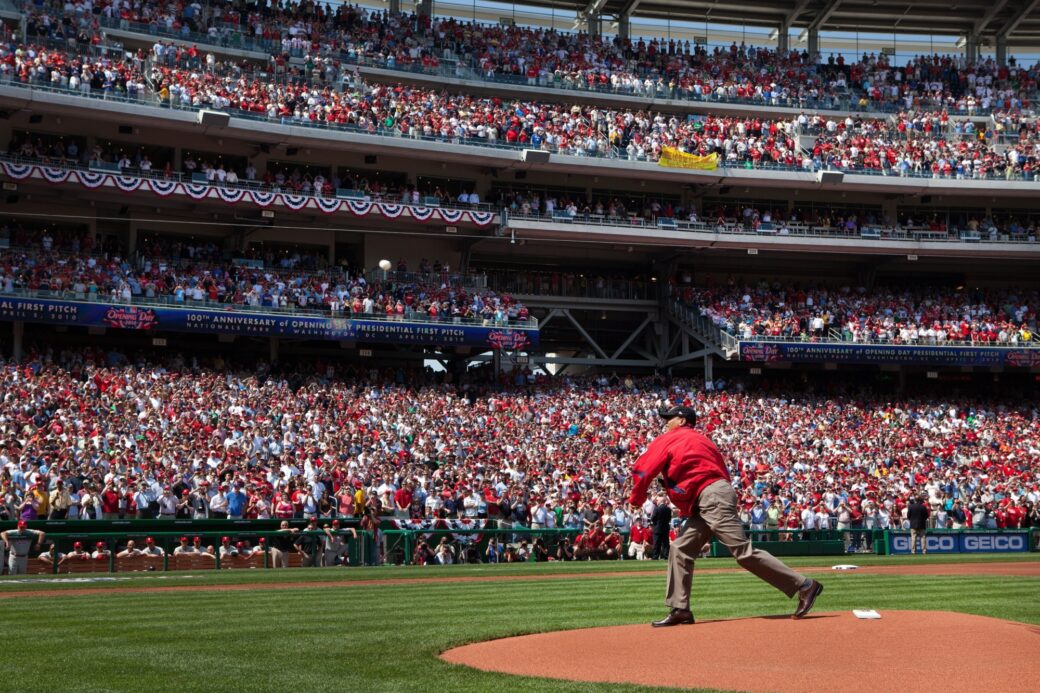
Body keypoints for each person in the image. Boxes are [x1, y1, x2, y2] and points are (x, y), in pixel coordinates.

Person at [628, 405, 823, 627]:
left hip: (710, 496)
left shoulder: (672, 437)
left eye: (669, 418)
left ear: (682, 421)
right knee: (680, 548)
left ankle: (805, 585)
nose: (666, 422)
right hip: (712, 495)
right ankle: (680, 609)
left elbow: (643, 469)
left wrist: (636, 499)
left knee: (742, 551)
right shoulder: (704, 441)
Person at [649, 495, 672, 559]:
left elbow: (653, 518)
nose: (656, 501)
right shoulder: (668, 509)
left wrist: (655, 523)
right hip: (665, 528)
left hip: (657, 528)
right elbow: (669, 518)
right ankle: (666, 556)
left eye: (657, 500)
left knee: (656, 543)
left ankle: (655, 556)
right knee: (665, 543)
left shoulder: (657, 508)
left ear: (660, 501)